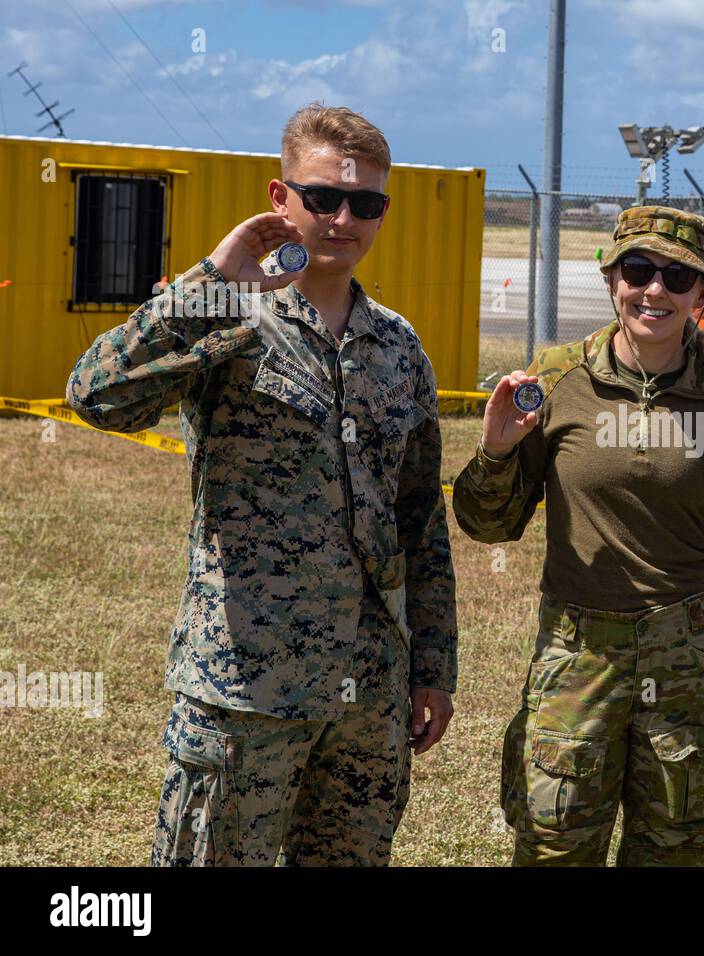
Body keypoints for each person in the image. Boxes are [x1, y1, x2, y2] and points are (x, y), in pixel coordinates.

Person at [65, 104, 457, 866]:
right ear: (280, 198)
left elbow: (419, 521)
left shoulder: (399, 346)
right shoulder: (225, 313)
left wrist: (432, 667)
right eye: (322, 198)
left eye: (365, 204)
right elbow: (94, 395)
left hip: (367, 689)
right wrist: (208, 280)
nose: (343, 219)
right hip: (247, 687)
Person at [452, 206, 704, 866]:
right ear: (612, 280)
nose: (654, 290)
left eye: (676, 276)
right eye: (638, 270)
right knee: (552, 850)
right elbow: (488, 525)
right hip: (576, 663)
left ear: (701, 293)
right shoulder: (554, 382)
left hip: (689, 666)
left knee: (680, 854)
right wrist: (494, 453)